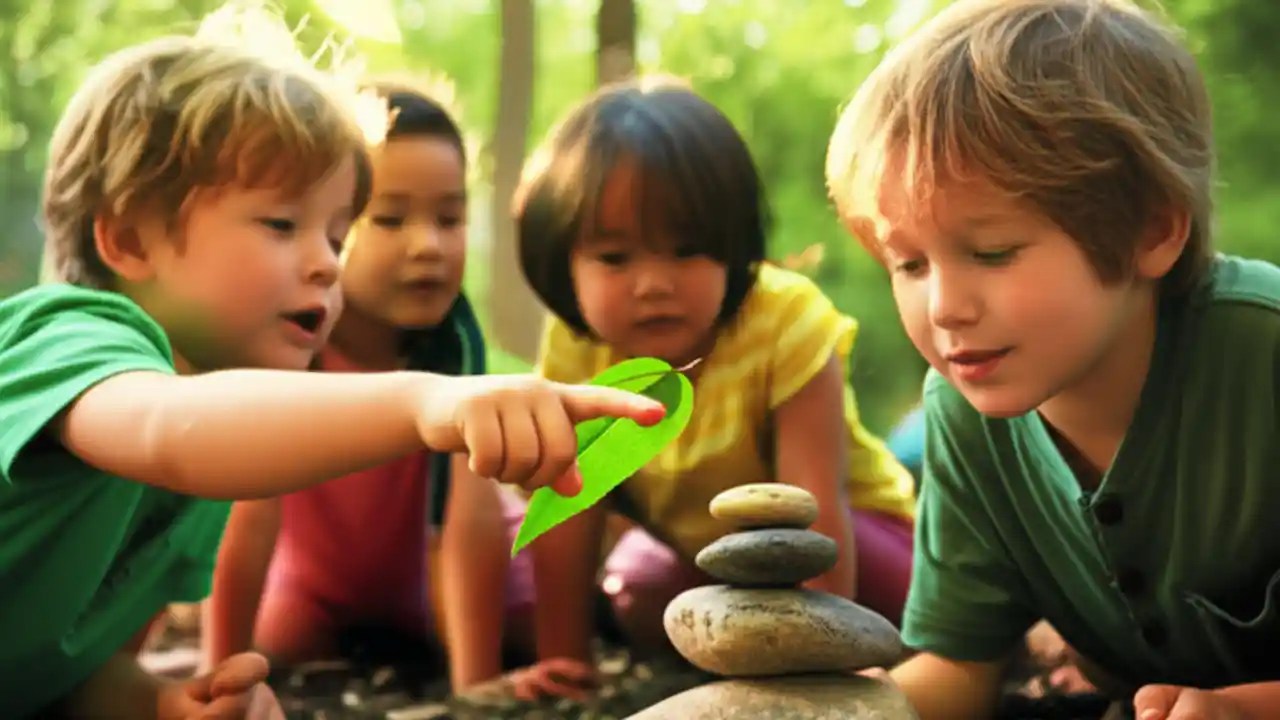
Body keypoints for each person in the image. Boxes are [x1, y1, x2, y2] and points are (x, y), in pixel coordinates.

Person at [0, 9, 665, 718]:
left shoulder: (203, 478)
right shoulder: (66, 336)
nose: (326, 263)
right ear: (130, 239)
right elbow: (171, 428)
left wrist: (164, 704)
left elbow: (71, 672)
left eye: (337, 233)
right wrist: (426, 402)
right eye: (282, 225)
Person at [823, 0, 1280, 718]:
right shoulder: (963, 413)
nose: (944, 307)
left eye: (993, 252)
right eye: (908, 263)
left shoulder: (1263, 356)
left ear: (1151, 230)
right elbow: (958, 669)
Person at [510, 76, 917, 699]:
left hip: (860, 540)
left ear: (734, 248)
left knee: (900, 604)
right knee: (637, 590)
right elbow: (571, 501)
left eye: (686, 250)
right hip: (714, 557)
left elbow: (814, 512)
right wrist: (563, 657)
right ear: (562, 261)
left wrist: (823, 660)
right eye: (616, 259)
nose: (652, 283)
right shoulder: (578, 344)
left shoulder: (785, 322)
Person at [204, 79, 535, 692]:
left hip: (438, 587)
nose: (428, 246)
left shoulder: (454, 346)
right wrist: (219, 676)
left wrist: (477, 687)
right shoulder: (286, 337)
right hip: (315, 592)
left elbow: (469, 523)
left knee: (532, 632)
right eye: (388, 218)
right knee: (281, 646)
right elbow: (248, 514)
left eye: (450, 217)